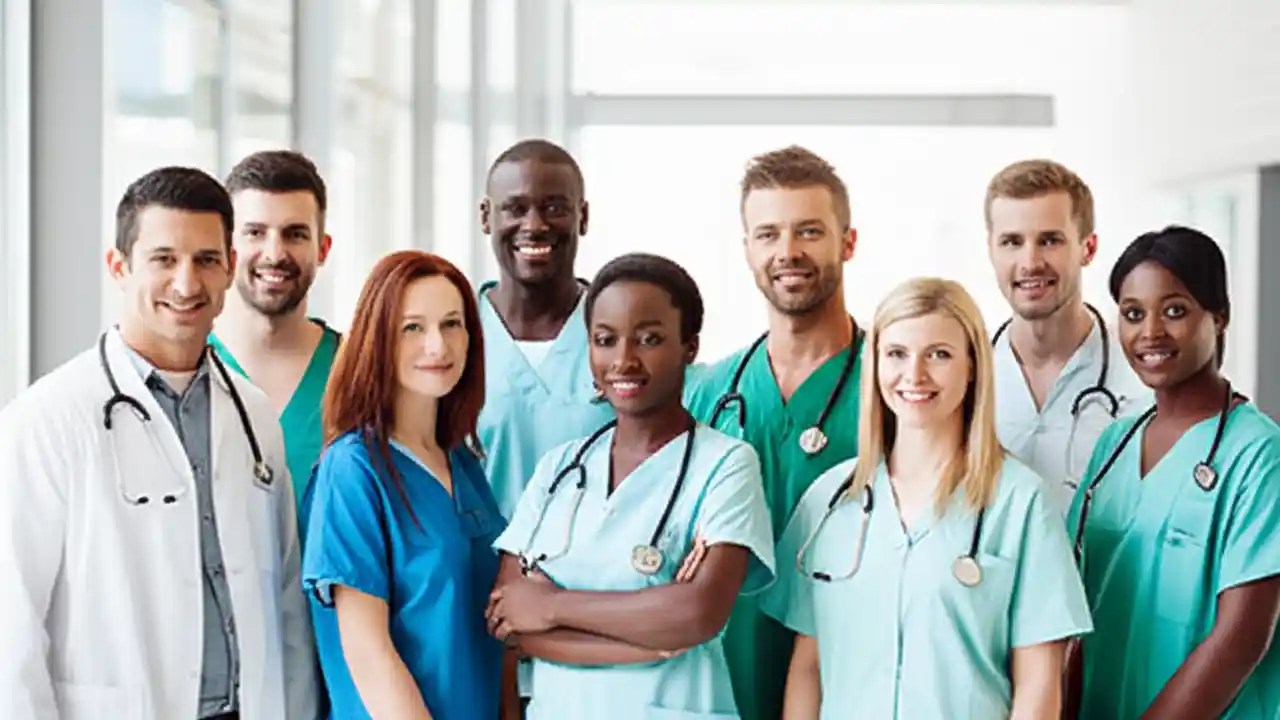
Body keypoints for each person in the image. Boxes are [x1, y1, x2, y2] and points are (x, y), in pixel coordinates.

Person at [0, 166, 318, 719]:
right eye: (164, 259)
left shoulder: (253, 415)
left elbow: (286, 604)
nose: (187, 284)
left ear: (230, 269)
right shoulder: (48, 420)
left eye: (206, 260)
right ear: (118, 267)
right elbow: (11, 627)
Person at [762, 276, 1092, 719]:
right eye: (896, 354)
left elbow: (1038, 680)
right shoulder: (830, 501)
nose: (914, 375)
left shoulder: (1019, 502)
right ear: (874, 364)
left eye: (938, 355)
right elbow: (808, 666)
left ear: (972, 365)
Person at [486, 253, 776, 719]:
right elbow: (510, 623)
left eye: (650, 338)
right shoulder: (559, 468)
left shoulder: (724, 466)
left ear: (689, 346)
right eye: (605, 340)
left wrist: (552, 603)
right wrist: (649, 640)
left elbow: (699, 613)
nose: (623, 360)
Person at [1065, 226, 1280, 719]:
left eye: (1175, 310)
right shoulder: (1112, 446)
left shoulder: (1258, 454)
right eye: (1133, 314)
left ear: (1218, 316)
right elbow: (1075, 614)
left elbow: (1243, 636)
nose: (1151, 332)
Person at [683, 145, 865, 720]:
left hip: (848, 679)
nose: (788, 252)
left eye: (809, 231)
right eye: (768, 234)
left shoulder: (895, 387)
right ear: (747, 250)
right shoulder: (709, 392)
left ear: (848, 242)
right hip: (722, 680)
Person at [302, 250, 509, 719]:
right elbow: (368, 655)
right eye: (412, 327)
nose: (438, 346)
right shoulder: (353, 470)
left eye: (452, 324)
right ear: (379, 340)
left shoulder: (463, 462)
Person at [984, 159, 1148, 513]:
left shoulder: (1141, 379)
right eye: (1012, 242)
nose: (1030, 262)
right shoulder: (965, 374)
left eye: (1050, 241)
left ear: (1087, 248)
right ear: (991, 250)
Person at [475, 138, 616, 521]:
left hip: (597, 577)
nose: (534, 225)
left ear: (582, 217)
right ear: (486, 217)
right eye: (515, 209)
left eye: (554, 208)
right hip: (478, 575)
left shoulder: (622, 336)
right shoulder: (454, 336)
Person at [210, 149, 340, 514]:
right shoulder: (184, 372)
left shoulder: (358, 371)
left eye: (295, 234)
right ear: (226, 246)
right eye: (255, 233)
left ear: (322, 249)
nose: (274, 253)